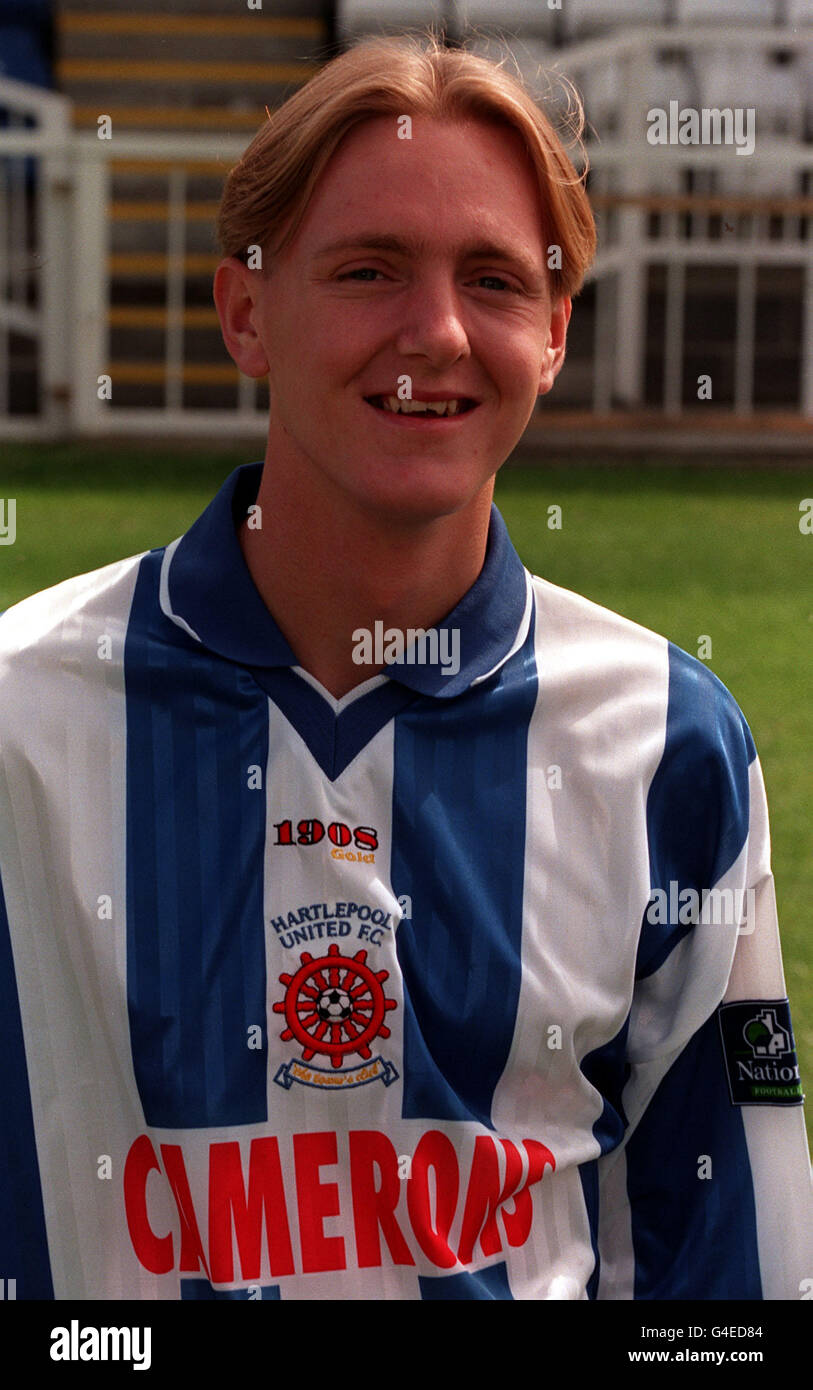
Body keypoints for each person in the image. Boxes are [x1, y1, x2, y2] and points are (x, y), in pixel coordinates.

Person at [0, 32, 810, 1302]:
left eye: (493, 279)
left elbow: (731, 1272)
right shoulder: (19, 717)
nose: (433, 332)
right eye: (369, 269)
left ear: (552, 334)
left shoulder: (665, 743)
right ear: (246, 311)